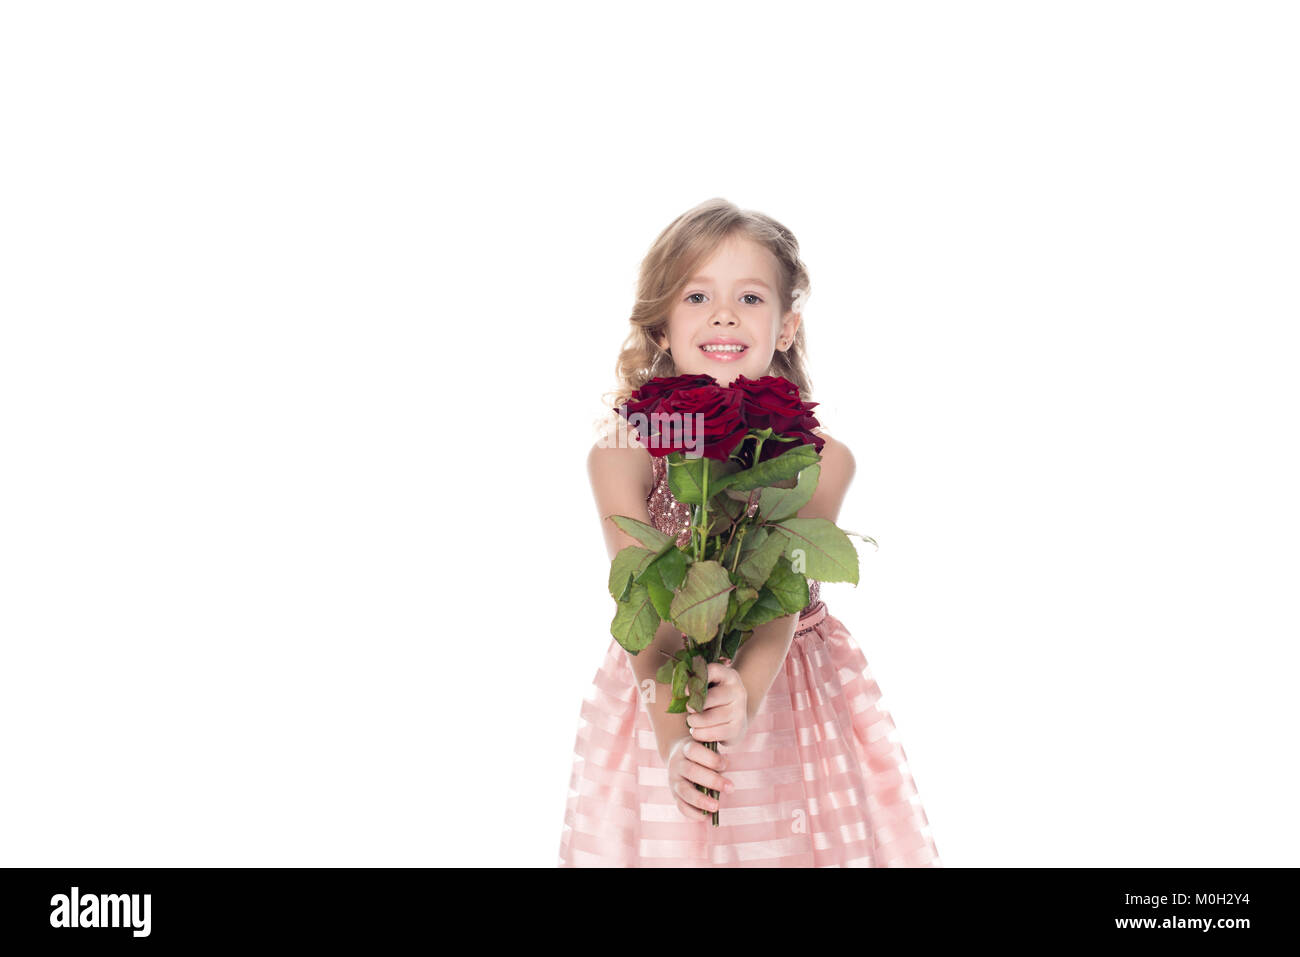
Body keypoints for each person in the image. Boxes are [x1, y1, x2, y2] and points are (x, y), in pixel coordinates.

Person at [558, 198, 941, 867]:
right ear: (660, 326)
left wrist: (748, 695)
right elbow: (642, 600)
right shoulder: (624, 450)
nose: (724, 314)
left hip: (787, 693)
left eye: (751, 297)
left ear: (787, 326)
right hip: (666, 691)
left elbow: (784, 587)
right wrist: (679, 739)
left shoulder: (819, 456)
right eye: (698, 294)